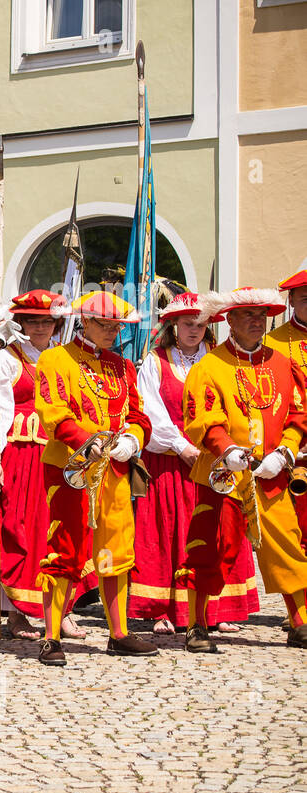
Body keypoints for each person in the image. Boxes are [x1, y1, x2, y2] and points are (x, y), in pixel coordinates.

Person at [180, 287, 307, 653]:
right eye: (247, 315)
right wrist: (228, 450)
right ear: (229, 320)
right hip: (223, 476)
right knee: (212, 547)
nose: (256, 321)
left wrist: (285, 452)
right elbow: (202, 417)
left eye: (261, 315)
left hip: (272, 473)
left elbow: (299, 413)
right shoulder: (210, 365)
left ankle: (299, 622)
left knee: (287, 543)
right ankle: (198, 625)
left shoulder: (284, 363)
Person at [32, 291, 155, 666]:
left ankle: (118, 633)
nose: (112, 331)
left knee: (117, 549)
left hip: (115, 471)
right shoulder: (55, 358)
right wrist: (91, 443)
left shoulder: (123, 366)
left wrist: (133, 438)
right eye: (103, 324)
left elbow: (138, 414)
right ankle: (51, 636)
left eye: (116, 325)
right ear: (83, 321)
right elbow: (53, 412)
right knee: (65, 547)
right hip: (72, 470)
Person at [130, 292, 258, 636]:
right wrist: (180, 445)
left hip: (217, 461)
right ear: (173, 324)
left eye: (201, 324)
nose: (194, 330)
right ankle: (164, 607)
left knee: (220, 531)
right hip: (171, 462)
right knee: (171, 532)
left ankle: (219, 606)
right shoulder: (155, 362)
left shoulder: (219, 361)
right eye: (188, 323)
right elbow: (150, 410)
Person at [0, 290, 79, 640]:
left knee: (60, 530)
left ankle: (60, 610)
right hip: (22, 455)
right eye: (32, 320)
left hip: (61, 453)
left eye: (47, 320)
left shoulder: (64, 357)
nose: (41, 327)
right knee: (20, 530)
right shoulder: (8, 359)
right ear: (21, 323)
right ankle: (16, 612)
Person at [265, 267, 307, 548]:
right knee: (297, 533)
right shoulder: (272, 343)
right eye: (305, 298)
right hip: (293, 448)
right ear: (291, 300)